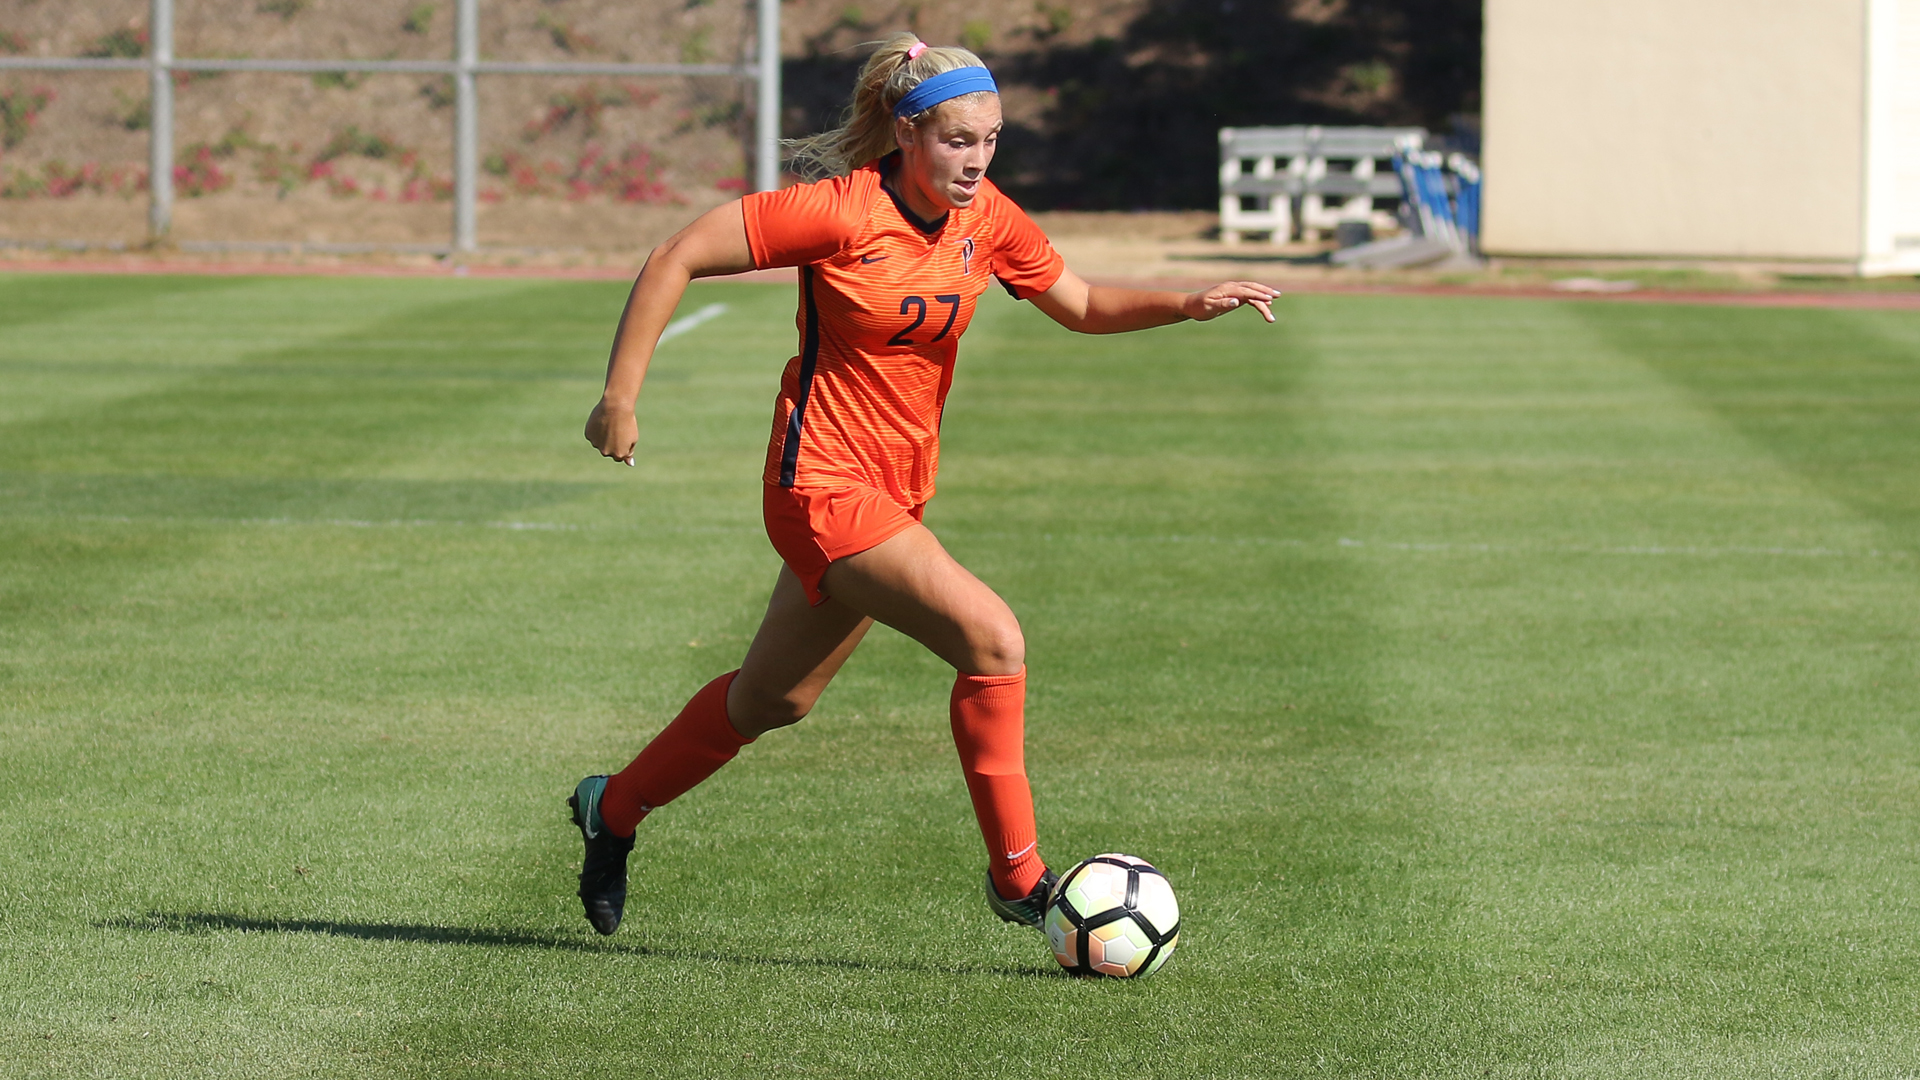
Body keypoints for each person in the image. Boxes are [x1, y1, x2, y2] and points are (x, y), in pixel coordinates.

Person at [571, 32, 1278, 937]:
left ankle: (613, 809)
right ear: (908, 134)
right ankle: (1020, 879)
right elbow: (678, 253)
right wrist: (619, 397)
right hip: (819, 486)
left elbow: (1085, 305)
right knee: (993, 639)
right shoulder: (838, 211)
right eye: (957, 141)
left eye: (990, 140)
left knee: (770, 702)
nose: (977, 161)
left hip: (895, 492)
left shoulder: (988, 220)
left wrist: (1185, 303)